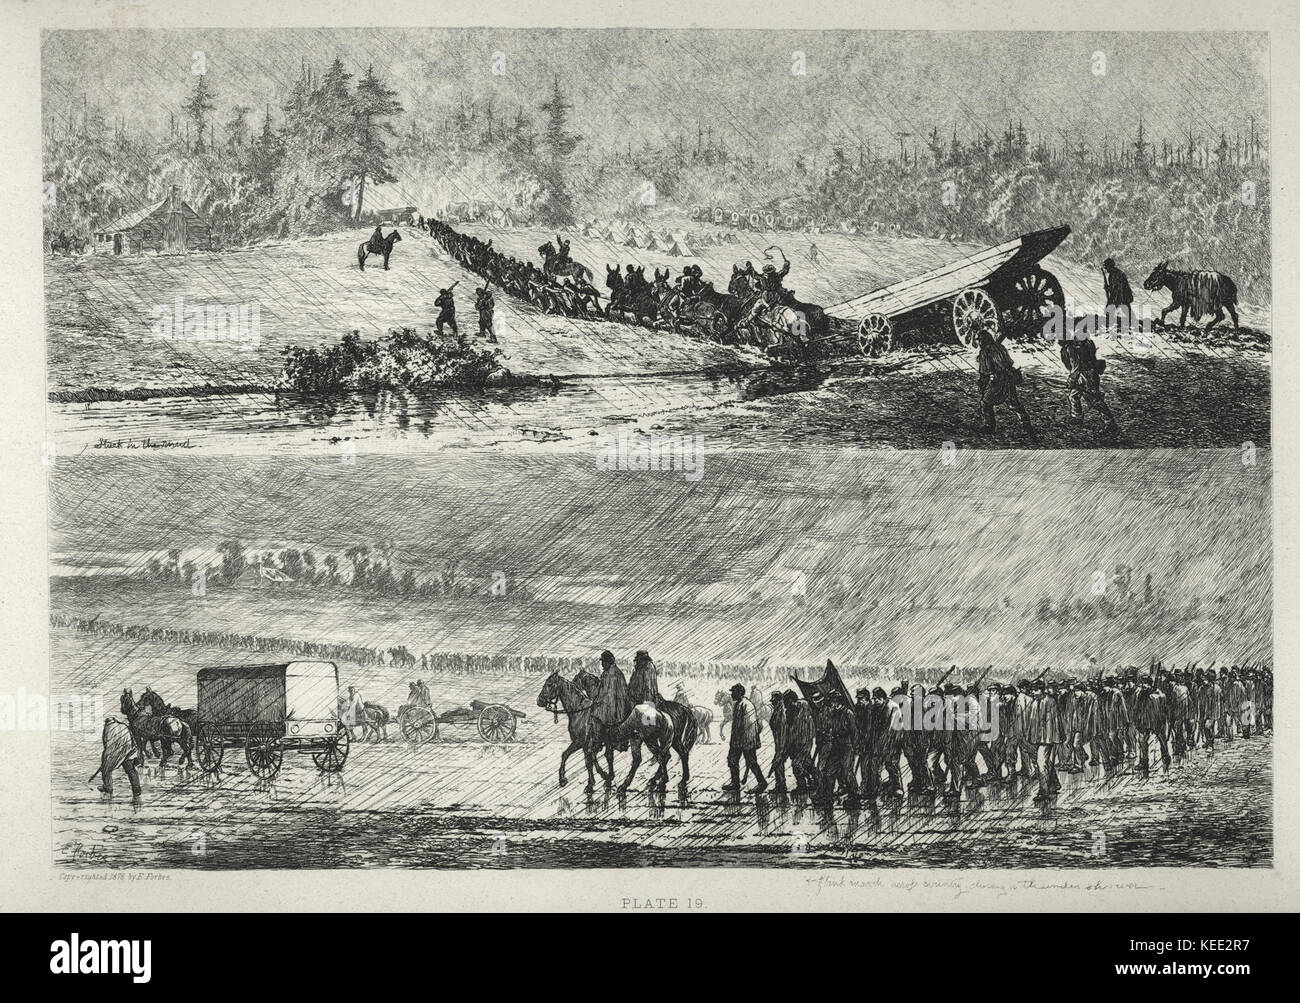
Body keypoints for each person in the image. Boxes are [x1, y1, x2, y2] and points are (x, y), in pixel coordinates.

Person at [976, 329, 1035, 439]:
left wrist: (982, 385)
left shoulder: (985, 352)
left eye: (980, 340)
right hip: (1009, 378)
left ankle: (989, 426)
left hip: (998, 380)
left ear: (983, 341)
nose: (979, 343)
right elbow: (1009, 362)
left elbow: (985, 372)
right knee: (1014, 403)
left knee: (986, 403)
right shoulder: (1000, 347)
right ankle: (1027, 426)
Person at [723, 684, 767, 793]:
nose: (732, 694)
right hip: (739, 740)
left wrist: (744, 741)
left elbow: (748, 725)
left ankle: (762, 783)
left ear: (739, 693)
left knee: (751, 762)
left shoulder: (745, 704)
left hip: (745, 740)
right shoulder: (740, 704)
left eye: (733, 692)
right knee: (732, 760)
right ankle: (735, 783)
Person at [1023, 679, 1061, 801]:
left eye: (1036, 690)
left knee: (1041, 762)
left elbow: (1053, 722)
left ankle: (1043, 790)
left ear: (1042, 690)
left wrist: (1050, 738)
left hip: (1047, 738)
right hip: (1037, 738)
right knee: (1046, 762)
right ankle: (1054, 784)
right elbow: (1033, 722)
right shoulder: (1035, 703)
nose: (1033, 692)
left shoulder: (1050, 701)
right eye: (1032, 690)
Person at [592, 650, 632, 730]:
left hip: (615, 706)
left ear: (607, 662)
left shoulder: (610, 673)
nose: (602, 664)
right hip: (616, 703)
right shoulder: (612, 671)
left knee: (595, 716)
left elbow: (605, 692)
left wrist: (596, 701)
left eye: (603, 662)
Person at [1102, 257, 1134, 331]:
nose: (1106, 269)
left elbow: (1116, 288)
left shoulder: (1114, 275)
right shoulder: (1117, 273)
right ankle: (1127, 324)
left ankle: (1109, 325)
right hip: (1123, 295)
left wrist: (1108, 289)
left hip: (1121, 295)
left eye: (1106, 266)